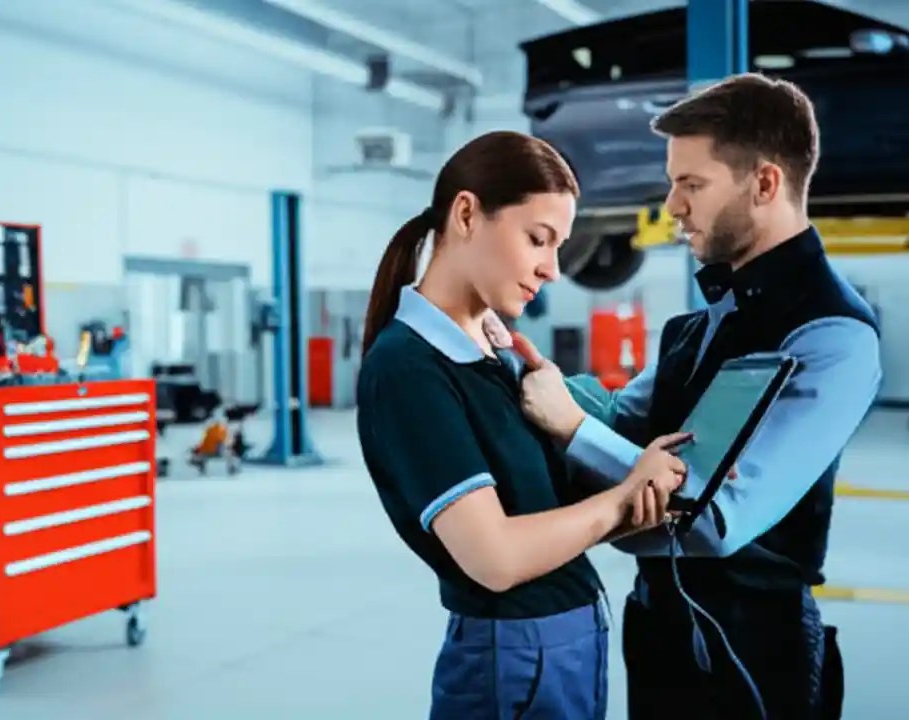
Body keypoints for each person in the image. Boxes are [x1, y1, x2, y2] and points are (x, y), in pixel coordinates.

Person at [515, 73, 882, 720]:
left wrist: (571, 427)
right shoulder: (707, 319)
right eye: (672, 183)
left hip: (750, 651)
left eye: (692, 184)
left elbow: (716, 520)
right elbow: (621, 417)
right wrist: (515, 370)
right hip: (657, 627)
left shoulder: (834, 337)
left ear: (764, 183)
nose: (672, 205)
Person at [354, 130, 691, 720]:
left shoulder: (498, 352)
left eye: (558, 245)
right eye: (539, 239)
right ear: (466, 214)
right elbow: (496, 557)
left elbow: (546, 514)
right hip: (512, 660)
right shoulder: (408, 369)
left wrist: (645, 484)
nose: (553, 269)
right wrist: (621, 499)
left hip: (560, 647)